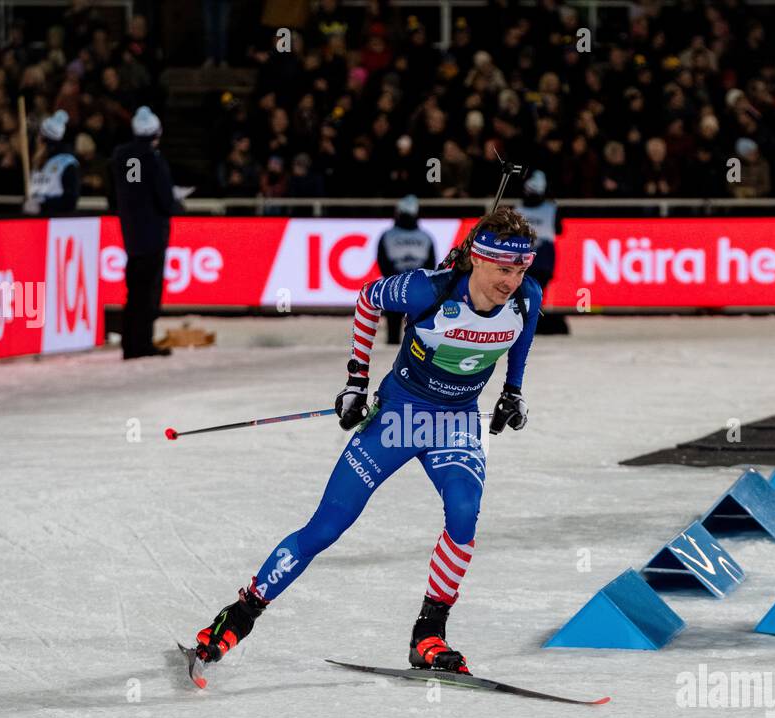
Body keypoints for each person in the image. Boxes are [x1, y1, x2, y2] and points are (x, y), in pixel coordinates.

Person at [184, 208, 542, 688]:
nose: (512, 281)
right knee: (327, 526)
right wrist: (356, 380)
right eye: (503, 268)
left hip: (455, 422)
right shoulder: (428, 290)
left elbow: (521, 343)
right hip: (398, 418)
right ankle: (236, 618)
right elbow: (368, 299)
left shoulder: (527, 298)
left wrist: (512, 392)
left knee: (464, 510)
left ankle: (428, 636)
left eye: (520, 270)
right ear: (477, 259)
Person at [109, 106, 175, 360]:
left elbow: (130, 189)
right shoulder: (149, 159)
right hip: (151, 234)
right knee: (146, 292)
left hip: (132, 232)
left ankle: (131, 342)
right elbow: (163, 199)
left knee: (134, 290)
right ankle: (141, 343)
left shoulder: (124, 157)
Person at [375, 194, 436, 344]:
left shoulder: (388, 235)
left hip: (394, 284)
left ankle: (393, 341)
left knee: (393, 332)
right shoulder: (425, 236)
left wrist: (392, 281)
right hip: (418, 287)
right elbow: (431, 265)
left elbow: (382, 261)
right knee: (419, 333)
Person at [517, 170, 567, 334]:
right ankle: (530, 319)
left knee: (530, 291)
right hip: (536, 256)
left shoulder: (520, 208)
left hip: (535, 256)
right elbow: (559, 229)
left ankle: (529, 320)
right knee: (535, 291)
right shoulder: (550, 208)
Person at [24, 110, 81, 216]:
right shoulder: (38, 161)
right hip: (35, 220)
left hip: (56, 222)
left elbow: (70, 201)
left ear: (43, 139)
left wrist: (42, 206)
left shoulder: (66, 163)